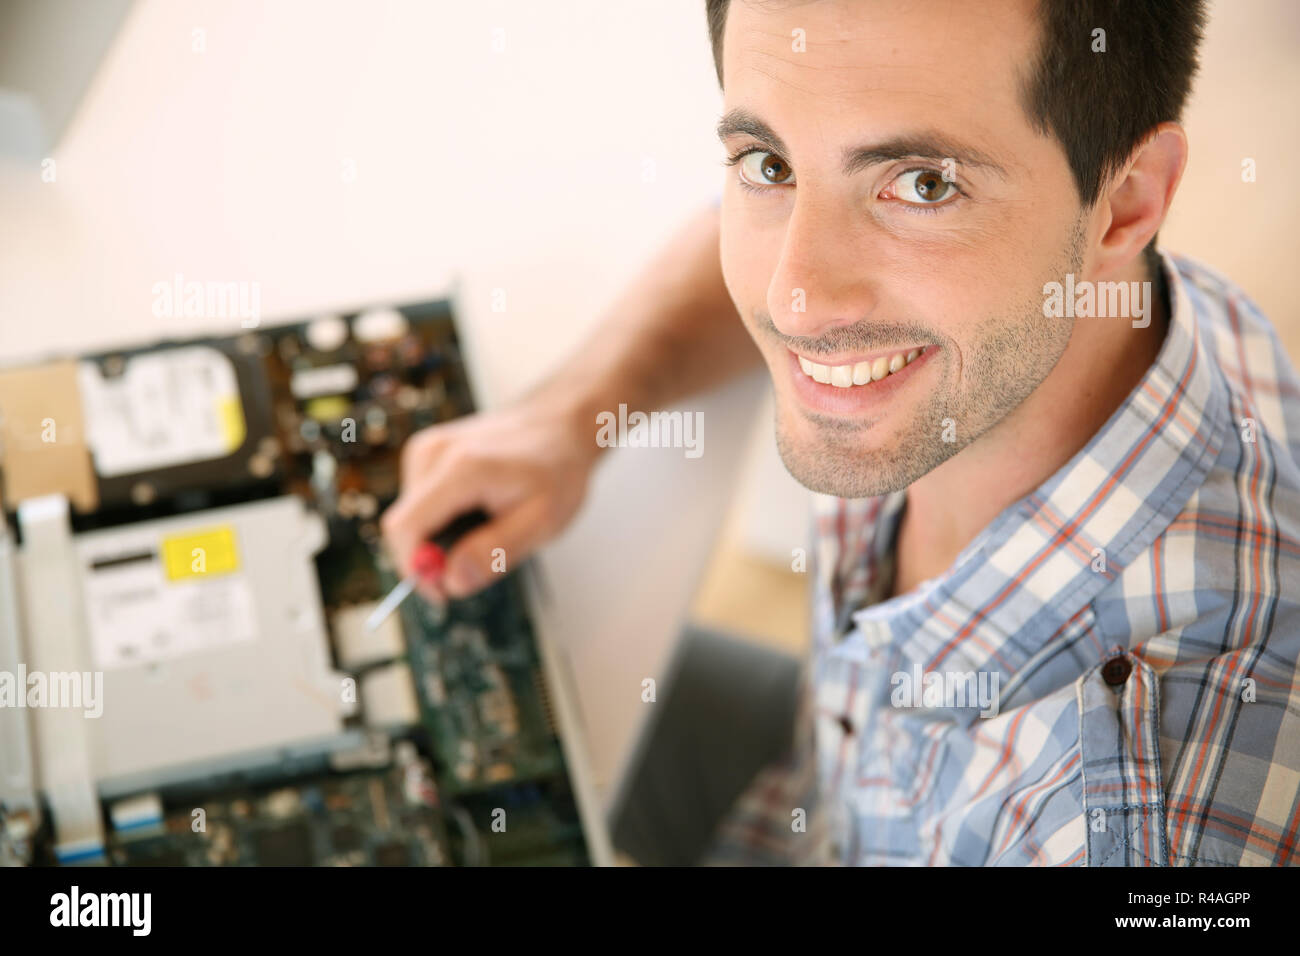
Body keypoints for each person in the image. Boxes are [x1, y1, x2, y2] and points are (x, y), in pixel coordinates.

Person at [382, 0, 1300, 866]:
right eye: (769, 165)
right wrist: (568, 416)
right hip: (816, 789)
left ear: (1129, 200)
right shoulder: (1094, 304)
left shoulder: (1140, 831)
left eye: (922, 185)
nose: (795, 299)